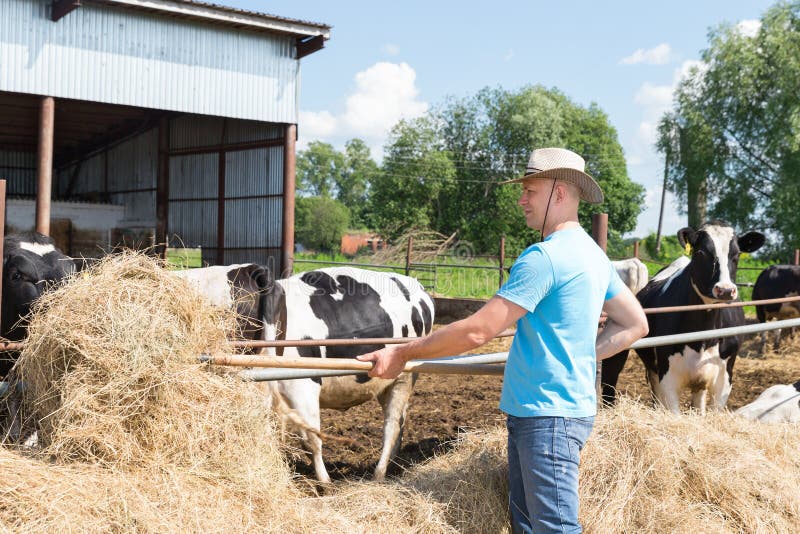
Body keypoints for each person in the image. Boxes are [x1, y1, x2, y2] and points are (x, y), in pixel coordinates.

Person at [356, 147, 648, 533]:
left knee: (555, 528)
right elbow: (635, 324)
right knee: (527, 525)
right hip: (560, 411)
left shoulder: (544, 257)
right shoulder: (593, 255)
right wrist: (579, 356)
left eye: (531, 190)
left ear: (559, 193)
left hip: (547, 417)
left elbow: (479, 330)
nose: (521, 199)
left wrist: (402, 353)